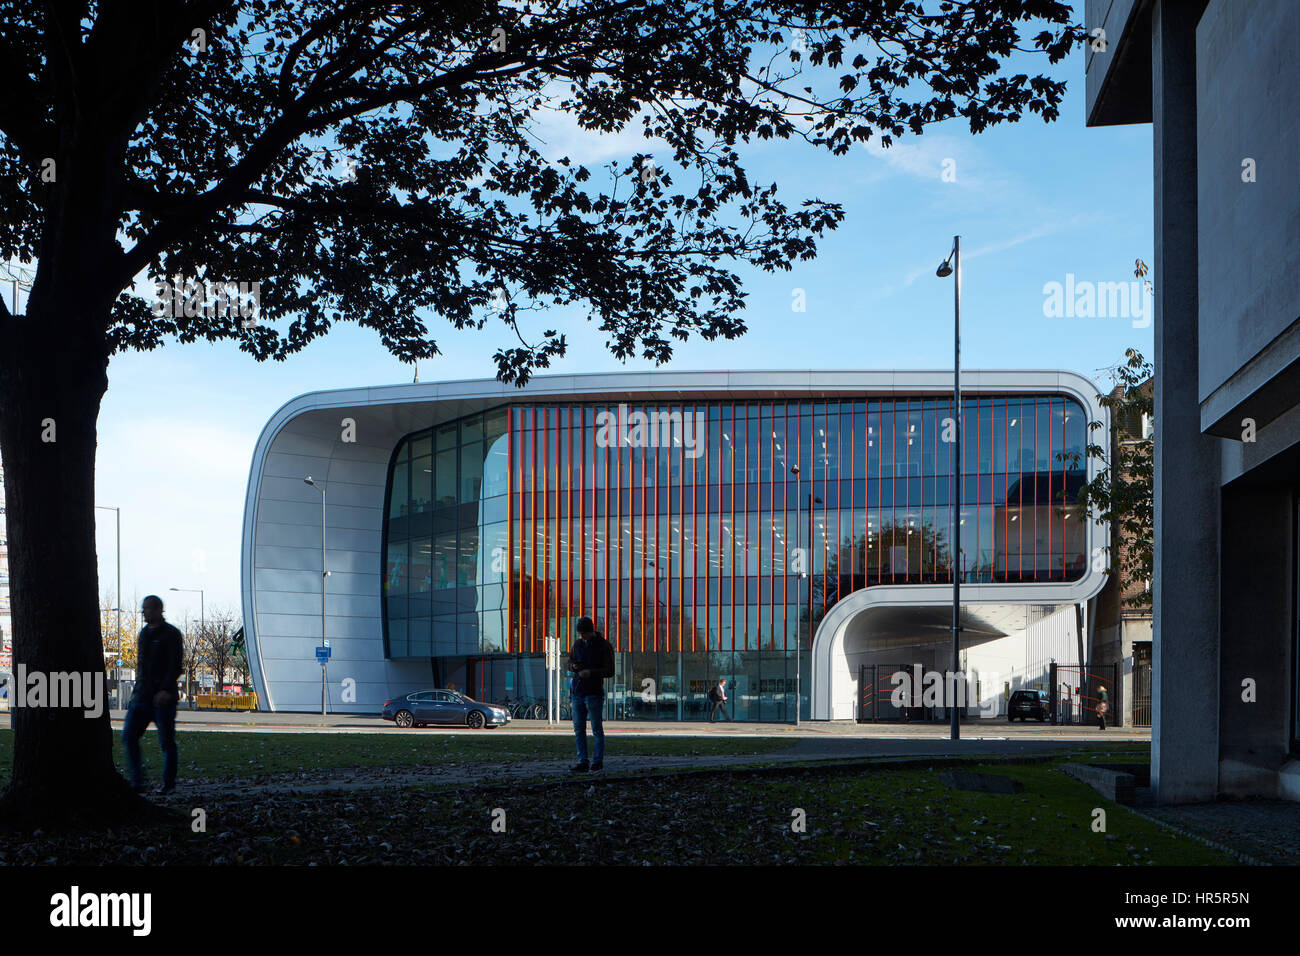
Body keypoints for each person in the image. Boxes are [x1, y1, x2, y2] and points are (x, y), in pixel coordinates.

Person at [123, 595, 184, 795]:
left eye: (147, 609)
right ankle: (138, 781)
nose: (144, 612)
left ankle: (168, 783)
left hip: (162, 698)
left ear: (158, 610)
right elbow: (142, 667)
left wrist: (165, 689)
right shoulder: (144, 634)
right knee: (129, 735)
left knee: (166, 741)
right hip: (142, 696)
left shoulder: (171, 634)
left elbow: (174, 665)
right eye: (144, 608)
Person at [568, 616, 614, 773]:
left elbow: (610, 670)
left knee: (595, 728)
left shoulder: (603, 646)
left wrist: (591, 673)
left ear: (590, 631)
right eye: (580, 634)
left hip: (593, 692)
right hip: (578, 691)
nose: (582, 637)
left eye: (583, 633)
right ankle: (584, 761)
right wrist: (574, 667)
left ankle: (597, 761)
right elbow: (570, 662)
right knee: (579, 729)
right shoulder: (578, 644)